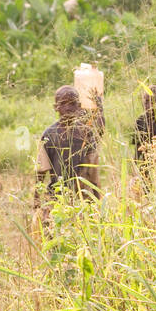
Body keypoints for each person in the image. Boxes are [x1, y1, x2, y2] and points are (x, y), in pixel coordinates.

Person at [34, 85, 99, 227]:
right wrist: (37, 202)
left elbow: (93, 171)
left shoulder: (86, 133)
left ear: (79, 106)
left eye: (72, 103)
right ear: (55, 107)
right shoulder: (49, 134)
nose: (68, 107)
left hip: (82, 198)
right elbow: (40, 171)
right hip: (57, 198)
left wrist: (96, 200)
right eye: (63, 104)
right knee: (56, 234)